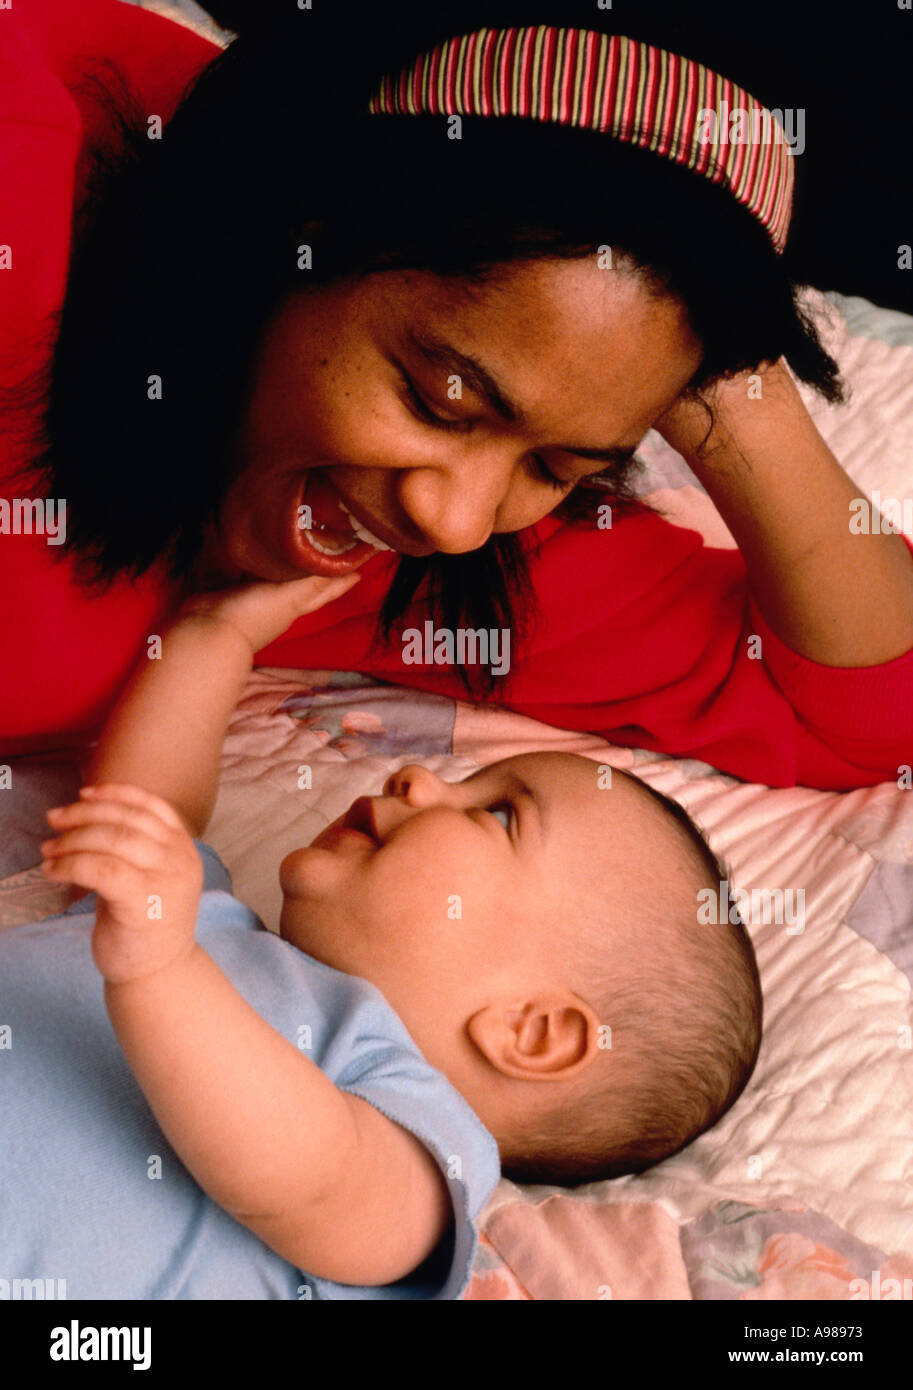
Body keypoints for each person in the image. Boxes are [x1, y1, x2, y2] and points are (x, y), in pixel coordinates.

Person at [2, 3, 911, 789]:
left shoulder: (408, 554)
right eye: (439, 401)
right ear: (297, 231)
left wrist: (716, 332)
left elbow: (868, 716)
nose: (458, 520)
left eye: (559, 465)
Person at [0, 571, 760, 1298]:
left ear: (531, 1032)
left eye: (497, 813)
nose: (414, 781)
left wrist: (160, 971)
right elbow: (146, 816)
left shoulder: (424, 1133)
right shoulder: (209, 929)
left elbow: (309, 1177)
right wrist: (213, 638)